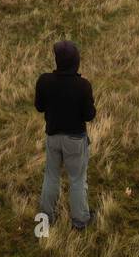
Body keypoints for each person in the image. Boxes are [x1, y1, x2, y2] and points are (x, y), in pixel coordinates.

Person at [35, 39, 96, 230]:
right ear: (75, 61)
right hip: (75, 140)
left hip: (52, 137)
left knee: (51, 176)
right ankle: (80, 220)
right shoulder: (83, 85)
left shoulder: (44, 81)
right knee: (77, 179)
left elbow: (39, 107)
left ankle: (46, 218)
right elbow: (89, 115)